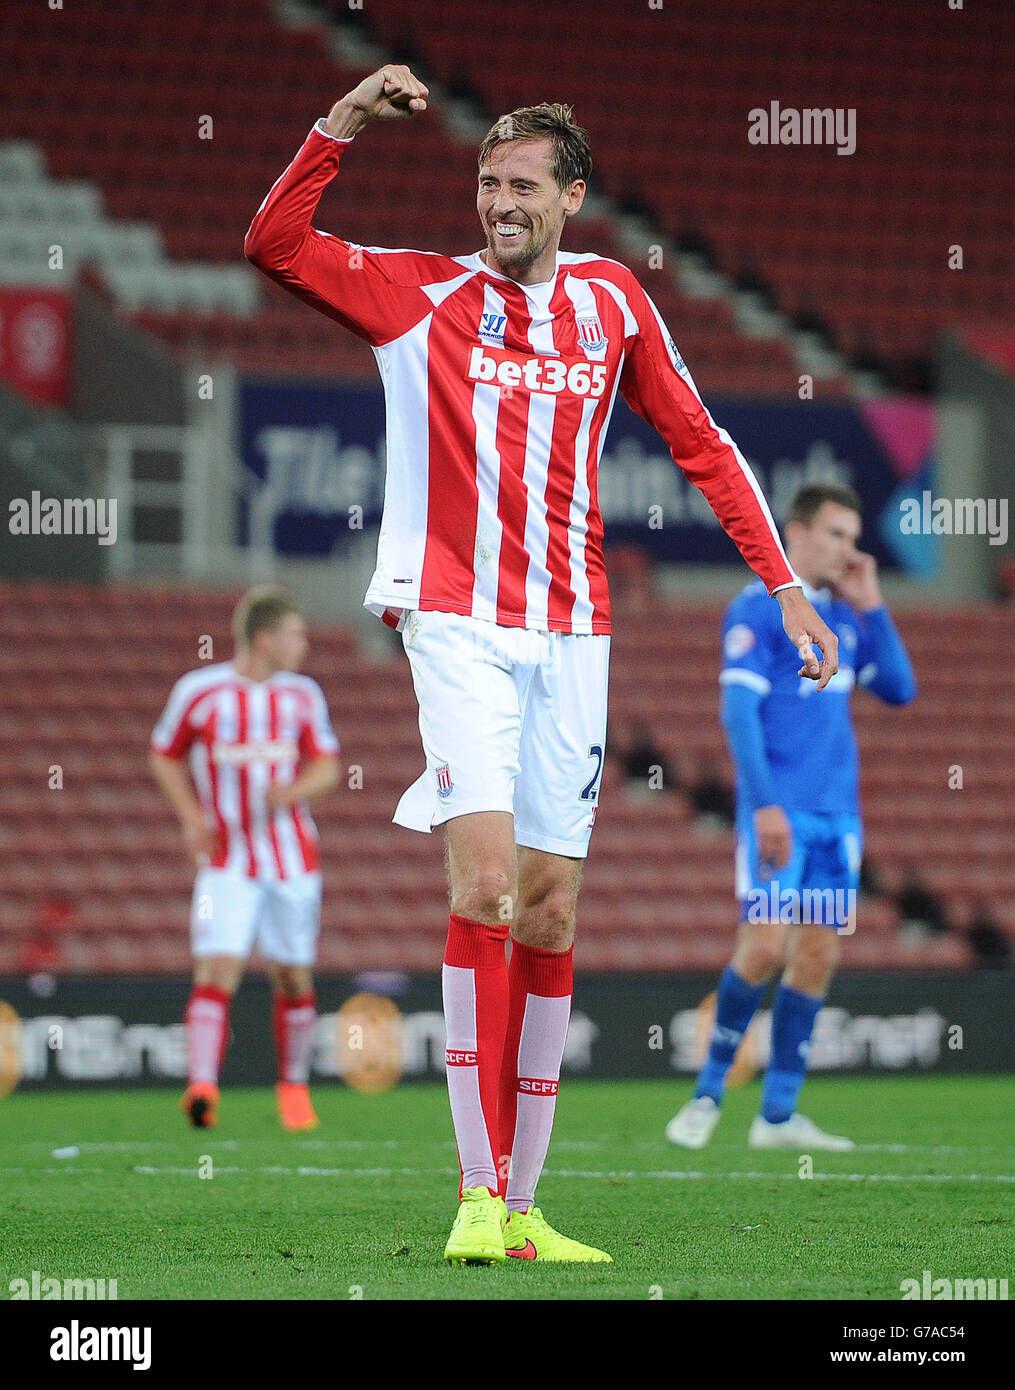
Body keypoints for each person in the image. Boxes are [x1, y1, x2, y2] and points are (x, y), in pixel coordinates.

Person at [244, 66, 838, 1264]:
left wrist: (785, 586)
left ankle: (525, 1205)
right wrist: (339, 127)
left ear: (571, 196)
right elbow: (274, 242)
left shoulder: (614, 302)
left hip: (574, 635)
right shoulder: (419, 295)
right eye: (484, 182)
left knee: (554, 907)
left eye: (521, 185)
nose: (497, 202)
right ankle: (471, 1196)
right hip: (456, 625)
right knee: (483, 890)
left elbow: (702, 443)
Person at [666, 483, 916, 1152]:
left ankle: (776, 1116)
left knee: (814, 954)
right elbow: (738, 712)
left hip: (836, 820)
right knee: (765, 946)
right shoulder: (758, 609)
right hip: (777, 813)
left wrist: (872, 605)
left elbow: (898, 689)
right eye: (835, 534)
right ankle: (707, 1095)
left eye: (853, 537)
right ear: (795, 533)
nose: (847, 549)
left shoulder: (845, 620)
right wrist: (765, 803)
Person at [149, 586, 340, 1132]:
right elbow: (163, 755)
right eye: (296, 635)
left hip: (292, 862)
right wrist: (191, 817)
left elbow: (328, 766)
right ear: (266, 638)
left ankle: (294, 1088)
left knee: (293, 977)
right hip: (226, 862)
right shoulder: (201, 691)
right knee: (217, 967)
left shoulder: (303, 695)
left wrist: (294, 789)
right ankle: (202, 1087)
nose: (302, 646)